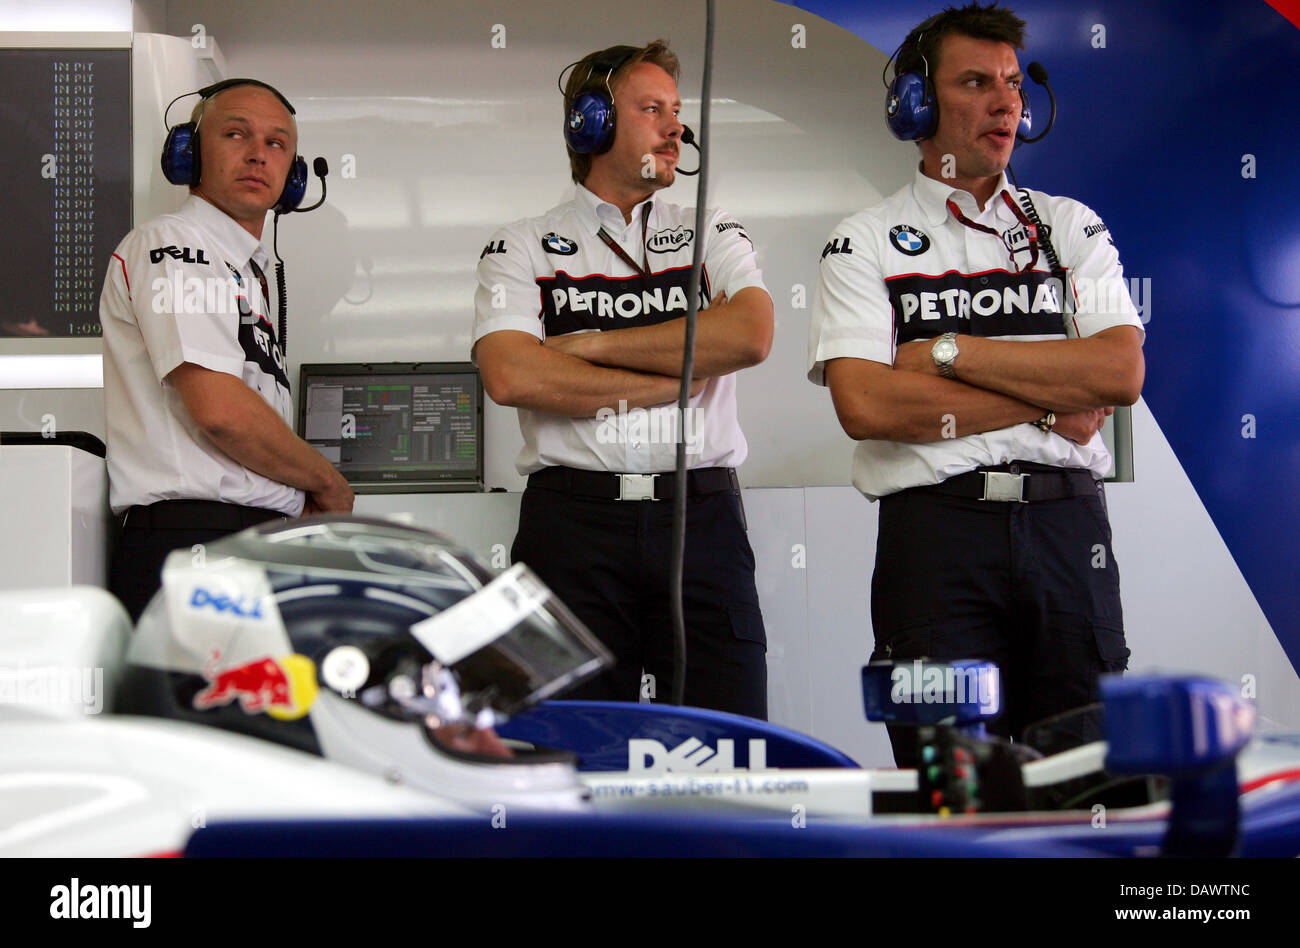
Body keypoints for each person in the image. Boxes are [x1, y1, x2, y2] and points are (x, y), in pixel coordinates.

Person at [807, 3, 1145, 763]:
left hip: (1069, 537)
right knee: (951, 789)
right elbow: (867, 404)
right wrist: (1052, 394)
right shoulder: (861, 241)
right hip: (935, 542)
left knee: (1086, 781)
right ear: (917, 105)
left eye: (1015, 83)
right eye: (976, 82)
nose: (1006, 103)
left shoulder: (1069, 227)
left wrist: (946, 352)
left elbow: (1118, 374)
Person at [472, 41, 774, 718]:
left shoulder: (712, 230)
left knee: (727, 744)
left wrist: (592, 345)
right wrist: (677, 373)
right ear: (592, 123)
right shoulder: (520, 244)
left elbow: (749, 335)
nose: (676, 128)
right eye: (651, 109)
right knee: (565, 746)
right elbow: (512, 373)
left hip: (701, 518)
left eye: (676, 111)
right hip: (571, 526)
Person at [100, 79, 353, 622]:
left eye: (277, 143)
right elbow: (221, 412)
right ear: (189, 153)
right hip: (197, 535)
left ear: (293, 174)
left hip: (247, 538)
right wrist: (327, 482)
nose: (258, 154)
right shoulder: (174, 245)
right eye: (236, 133)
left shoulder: (242, 268)